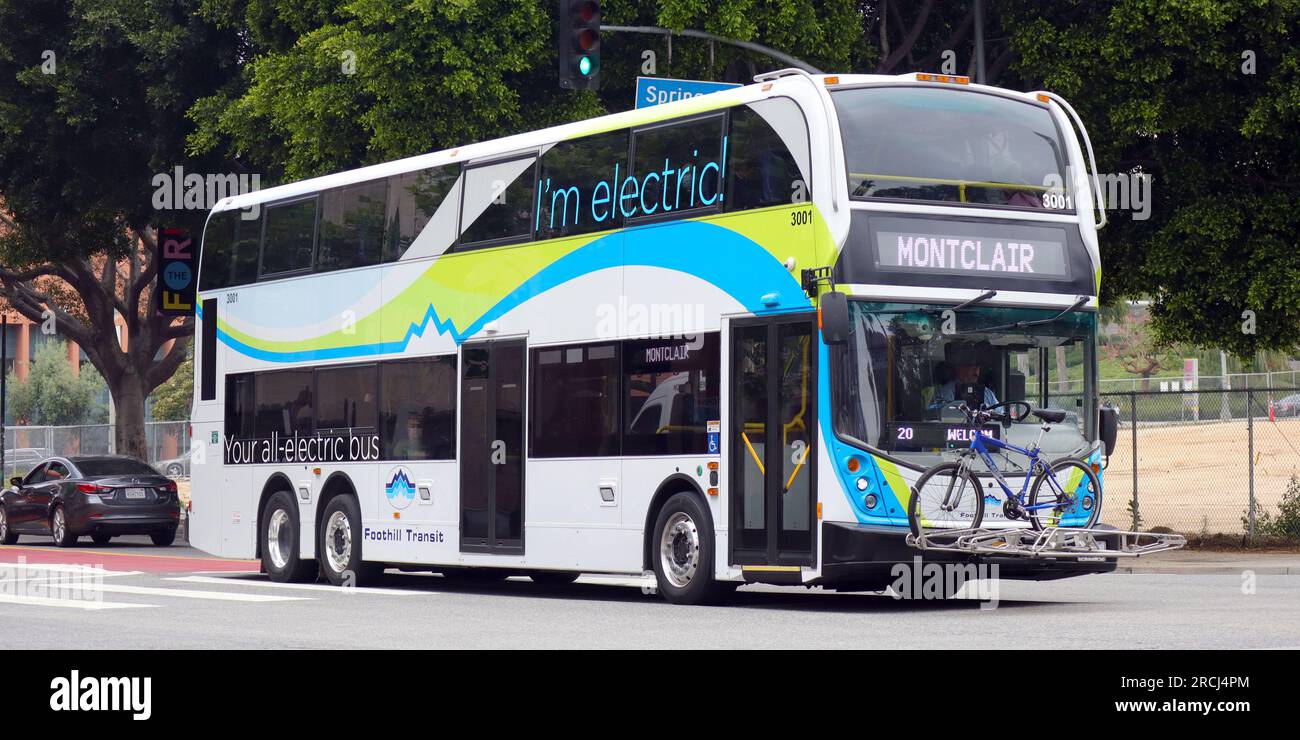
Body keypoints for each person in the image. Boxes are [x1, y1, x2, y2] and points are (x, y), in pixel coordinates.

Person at [934, 342, 999, 408]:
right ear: (959, 368)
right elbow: (938, 415)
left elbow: (1000, 414)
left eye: (978, 366)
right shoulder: (946, 392)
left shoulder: (987, 393)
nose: (976, 370)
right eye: (972, 366)